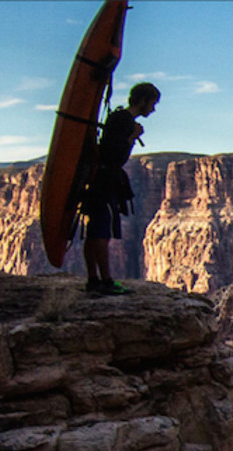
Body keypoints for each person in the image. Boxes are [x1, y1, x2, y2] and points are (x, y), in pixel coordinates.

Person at [82, 82, 160, 295]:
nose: (152, 109)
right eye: (152, 103)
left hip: (100, 181)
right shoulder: (123, 121)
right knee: (101, 233)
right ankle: (105, 282)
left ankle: (93, 280)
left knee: (94, 231)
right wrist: (132, 138)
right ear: (142, 100)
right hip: (105, 183)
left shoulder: (118, 118)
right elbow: (114, 154)